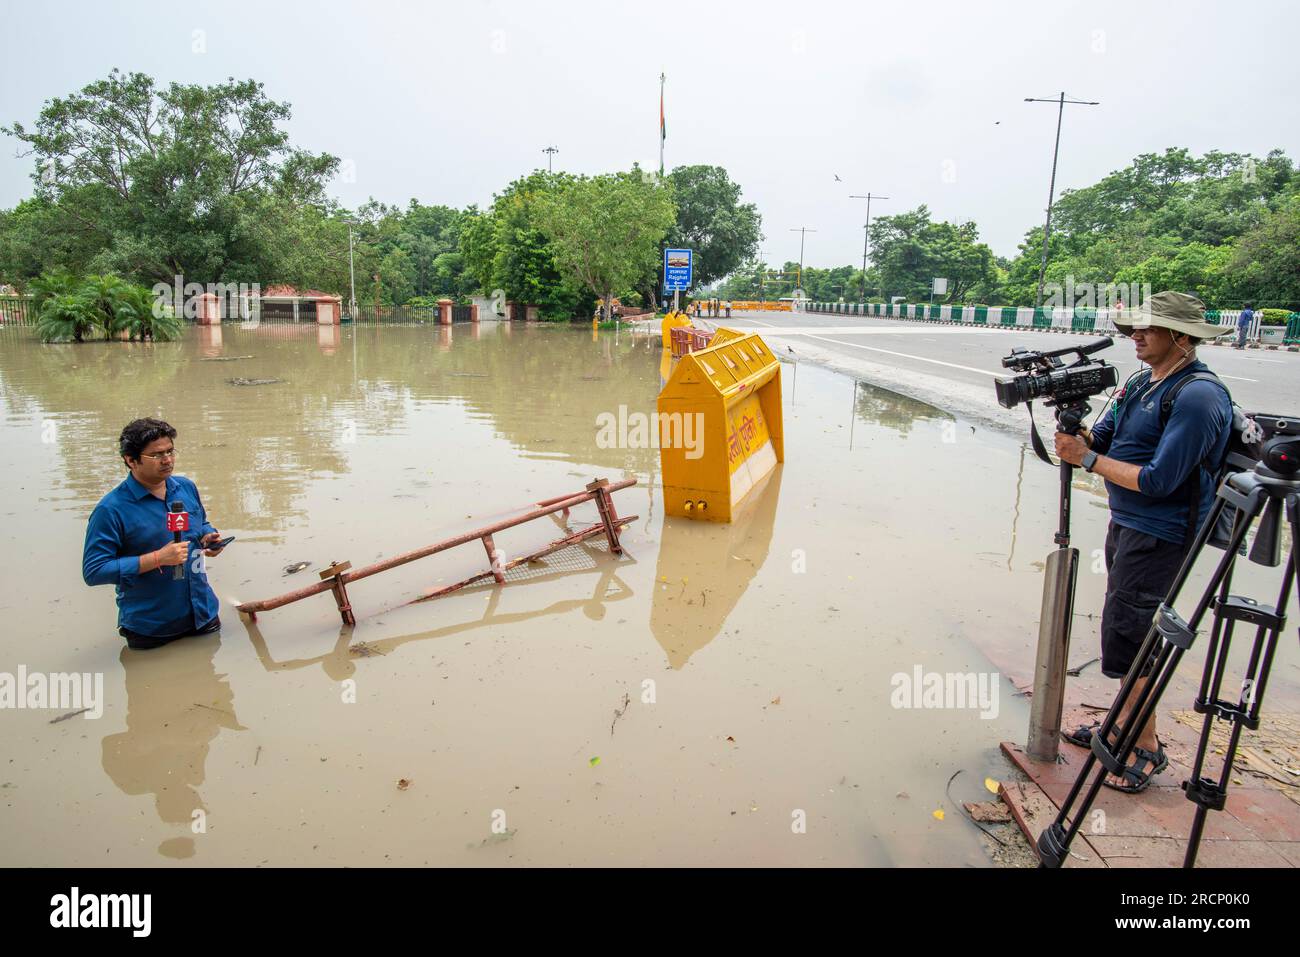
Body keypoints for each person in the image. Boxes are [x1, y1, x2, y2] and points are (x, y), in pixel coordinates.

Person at [1053, 291, 1235, 793]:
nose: (1137, 335)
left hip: (1163, 534)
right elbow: (1105, 439)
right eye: (1136, 327)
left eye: (1149, 329)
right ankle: (1121, 727)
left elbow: (1160, 480)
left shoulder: (1198, 395)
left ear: (1181, 337)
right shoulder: (1140, 382)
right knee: (1122, 632)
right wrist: (1079, 435)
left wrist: (1086, 461)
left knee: (1134, 639)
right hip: (1128, 524)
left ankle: (1145, 747)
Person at [82, 418, 228, 650]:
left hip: (203, 615)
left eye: (170, 451)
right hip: (151, 629)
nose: (167, 460)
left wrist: (208, 537)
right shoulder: (110, 510)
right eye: (157, 455)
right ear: (131, 460)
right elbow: (94, 571)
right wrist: (158, 558)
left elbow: (201, 525)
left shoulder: (185, 487)